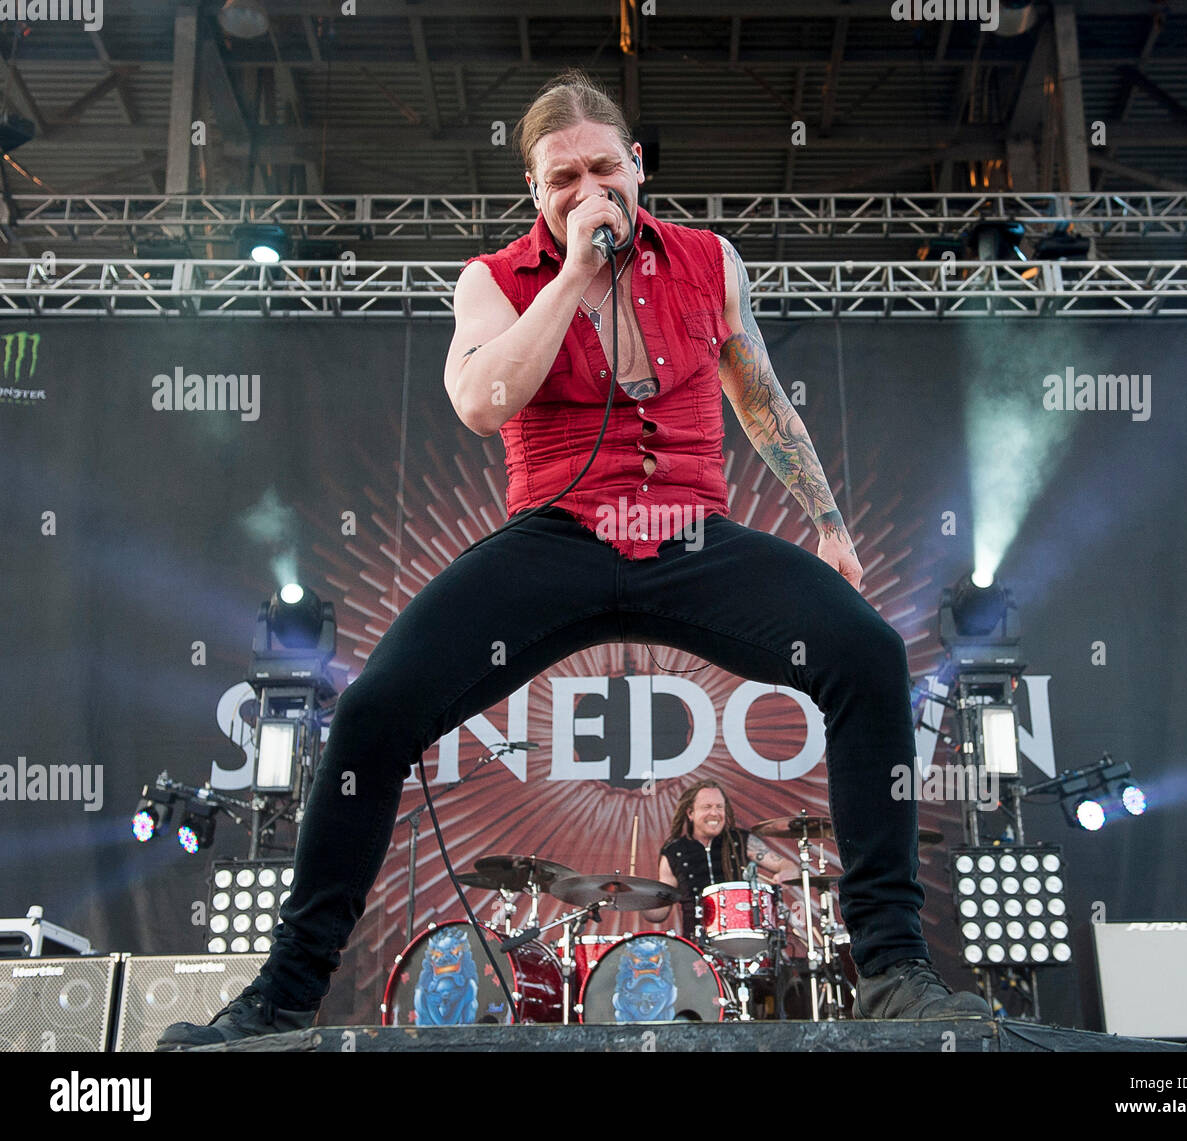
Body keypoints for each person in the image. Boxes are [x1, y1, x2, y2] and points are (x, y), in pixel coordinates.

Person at [158, 69, 987, 1047]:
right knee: (377, 711)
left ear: (637, 167)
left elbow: (760, 398)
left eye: (603, 167)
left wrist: (831, 525)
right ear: (536, 193)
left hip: (687, 534)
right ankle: (285, 992)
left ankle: (890, 971)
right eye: (561, 178)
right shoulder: (496, 279)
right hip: (557, 531)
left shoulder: (709, 261)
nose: (585, 188)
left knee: (867, 654)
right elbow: (483, 401)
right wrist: (573, 276)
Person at [641, 779, 797, 932]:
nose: (714, 813)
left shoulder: (741, 840)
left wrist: (788, 872)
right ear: (690, 813)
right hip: (696, 944)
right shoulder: (674, 852)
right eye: (707, 807)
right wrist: (636, 897)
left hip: (742, 934)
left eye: (719, 807)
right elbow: (659, 913)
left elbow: (786, 865)